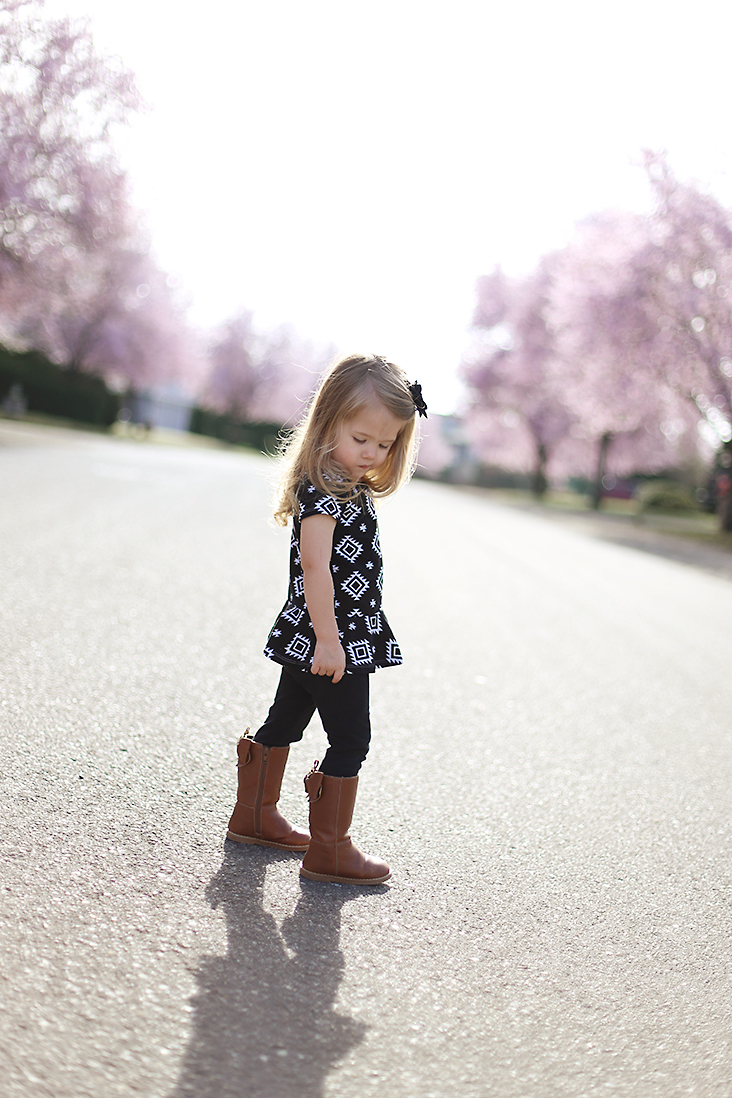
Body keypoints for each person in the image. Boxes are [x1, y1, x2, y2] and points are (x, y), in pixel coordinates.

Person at [226, 353, 427, 885]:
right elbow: (314, 566)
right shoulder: (324, 492)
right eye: (361, 439)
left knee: (285, 719)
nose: (372, 454)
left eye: (385, 445)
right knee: (351, 739)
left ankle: (255, 817)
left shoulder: (346, 487)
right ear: (327, 422)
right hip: (332, 641)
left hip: (316, 637)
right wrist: (331, 640)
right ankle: (330, 849)